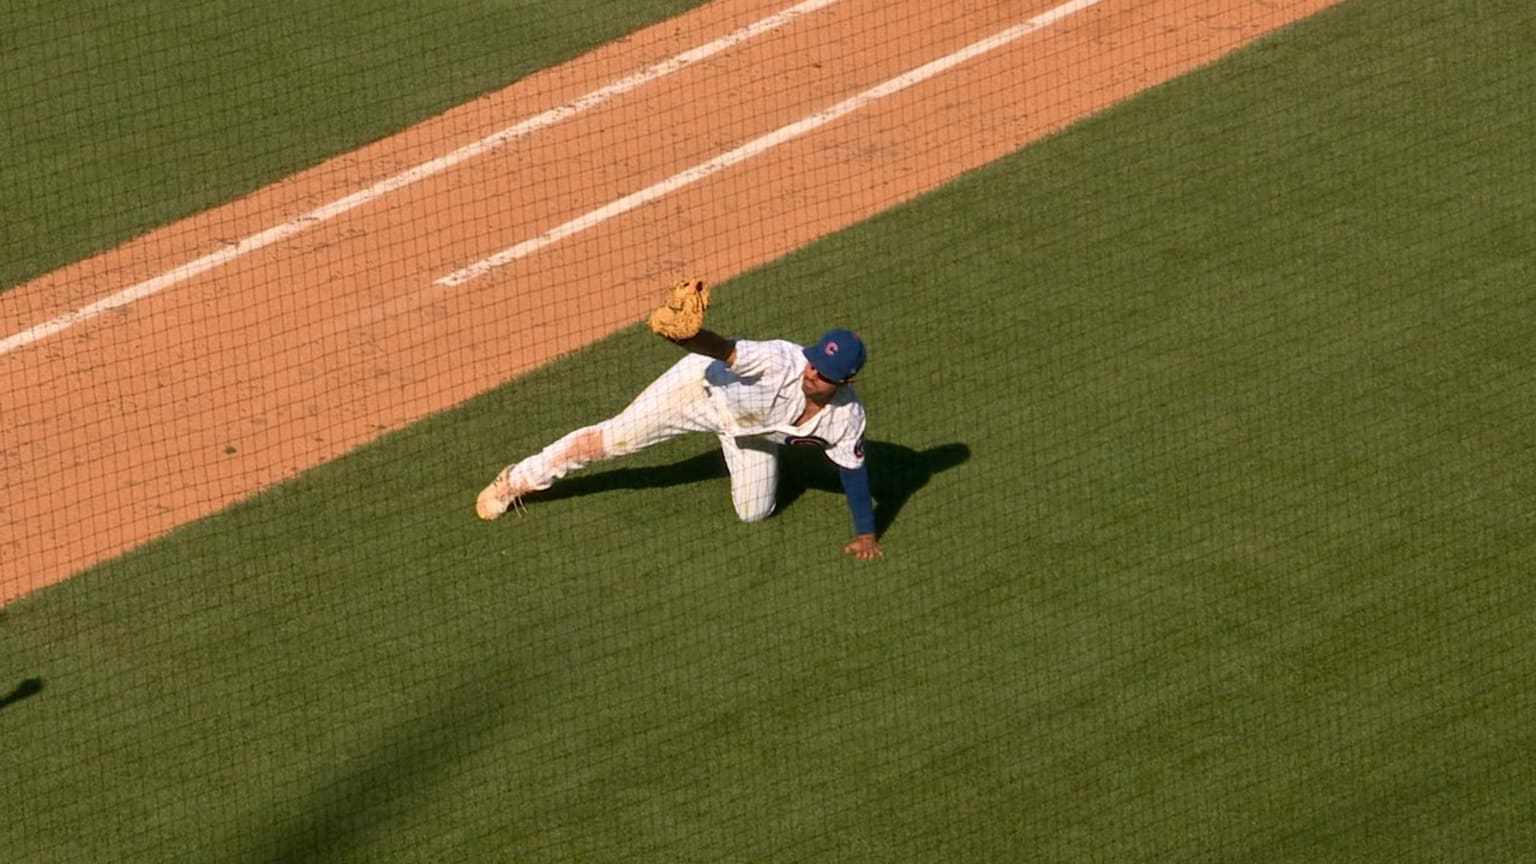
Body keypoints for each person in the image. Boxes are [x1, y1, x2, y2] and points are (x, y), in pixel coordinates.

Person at [476, 326, 884, 560]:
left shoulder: (846, 417)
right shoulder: (779, 361)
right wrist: (688, 336)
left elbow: (853, 472)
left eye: (825, 373)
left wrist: (866, 534)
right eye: (814, 363)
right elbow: (723, 349)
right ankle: (519, 478)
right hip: (698, 391)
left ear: (846, 382)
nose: (813, 374)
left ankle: (741, 448)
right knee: (616, 439)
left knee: (755, 513)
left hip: (747, 430)